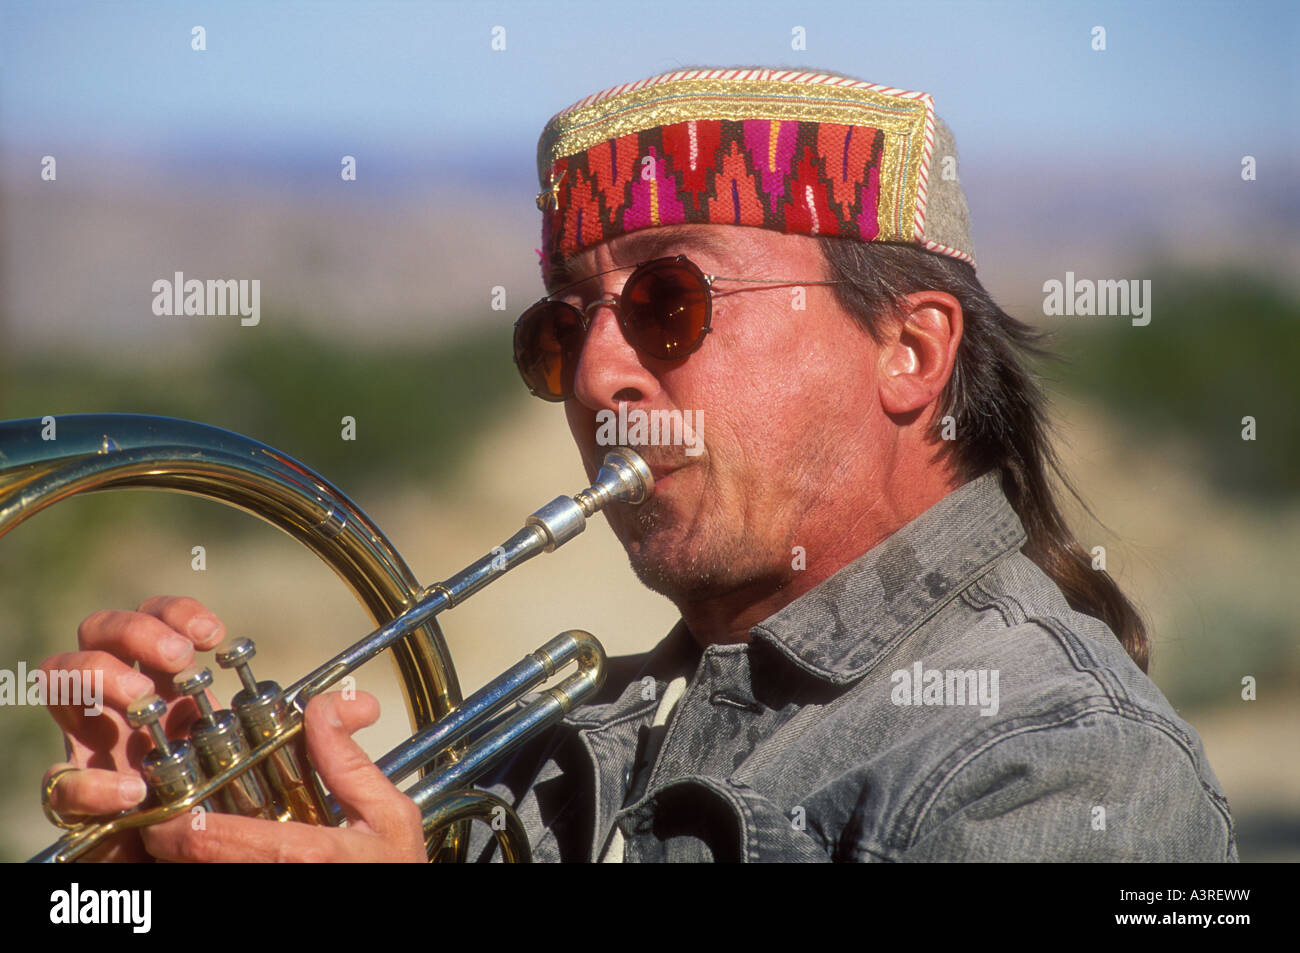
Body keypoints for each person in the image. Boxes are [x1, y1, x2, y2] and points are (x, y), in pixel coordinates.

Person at [38, 67, 1236, 862]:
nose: (597, 376)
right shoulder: (583, 721)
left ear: (909, 348)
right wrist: (145, 867)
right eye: (564, 324)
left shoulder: (1069, 762)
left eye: (670, 300)